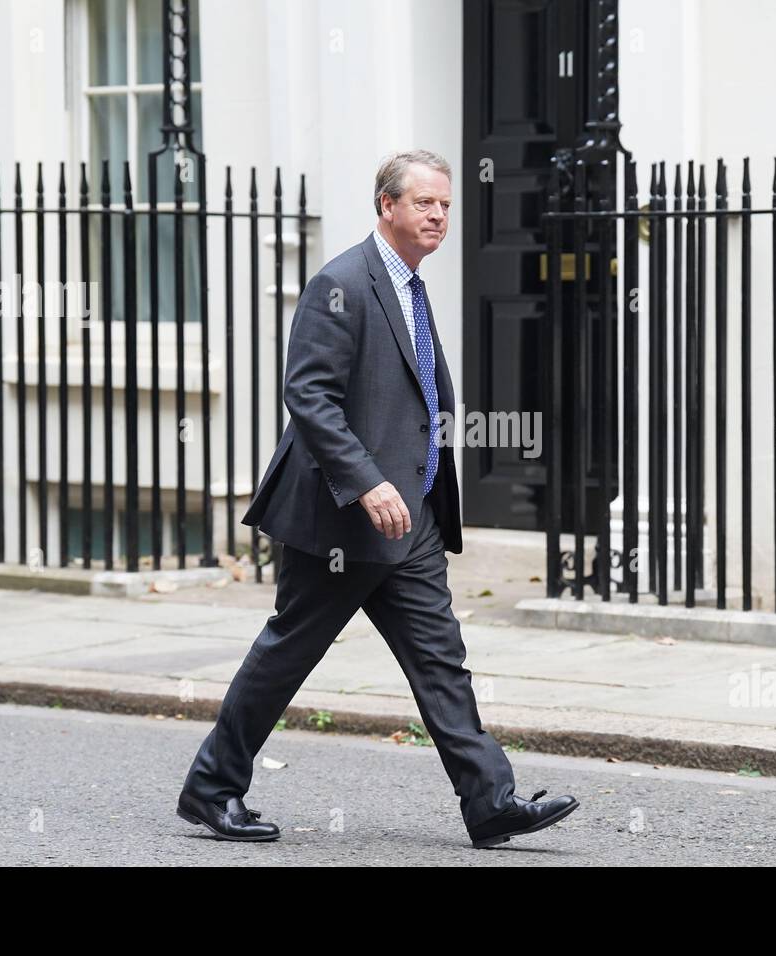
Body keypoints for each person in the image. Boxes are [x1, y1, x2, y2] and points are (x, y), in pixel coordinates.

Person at [177, 149, 579, 849]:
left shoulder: (412, 287)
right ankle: (213, 789)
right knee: (288, 653)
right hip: (341, 519)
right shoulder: (341, 283)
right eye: (425, 203)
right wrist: (367, 481)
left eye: (446, 205)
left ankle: (491, 802)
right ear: (386, 206)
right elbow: (309, 396)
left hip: (412, 516)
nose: (439, 216)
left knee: (440, 660)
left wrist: (413, 487)